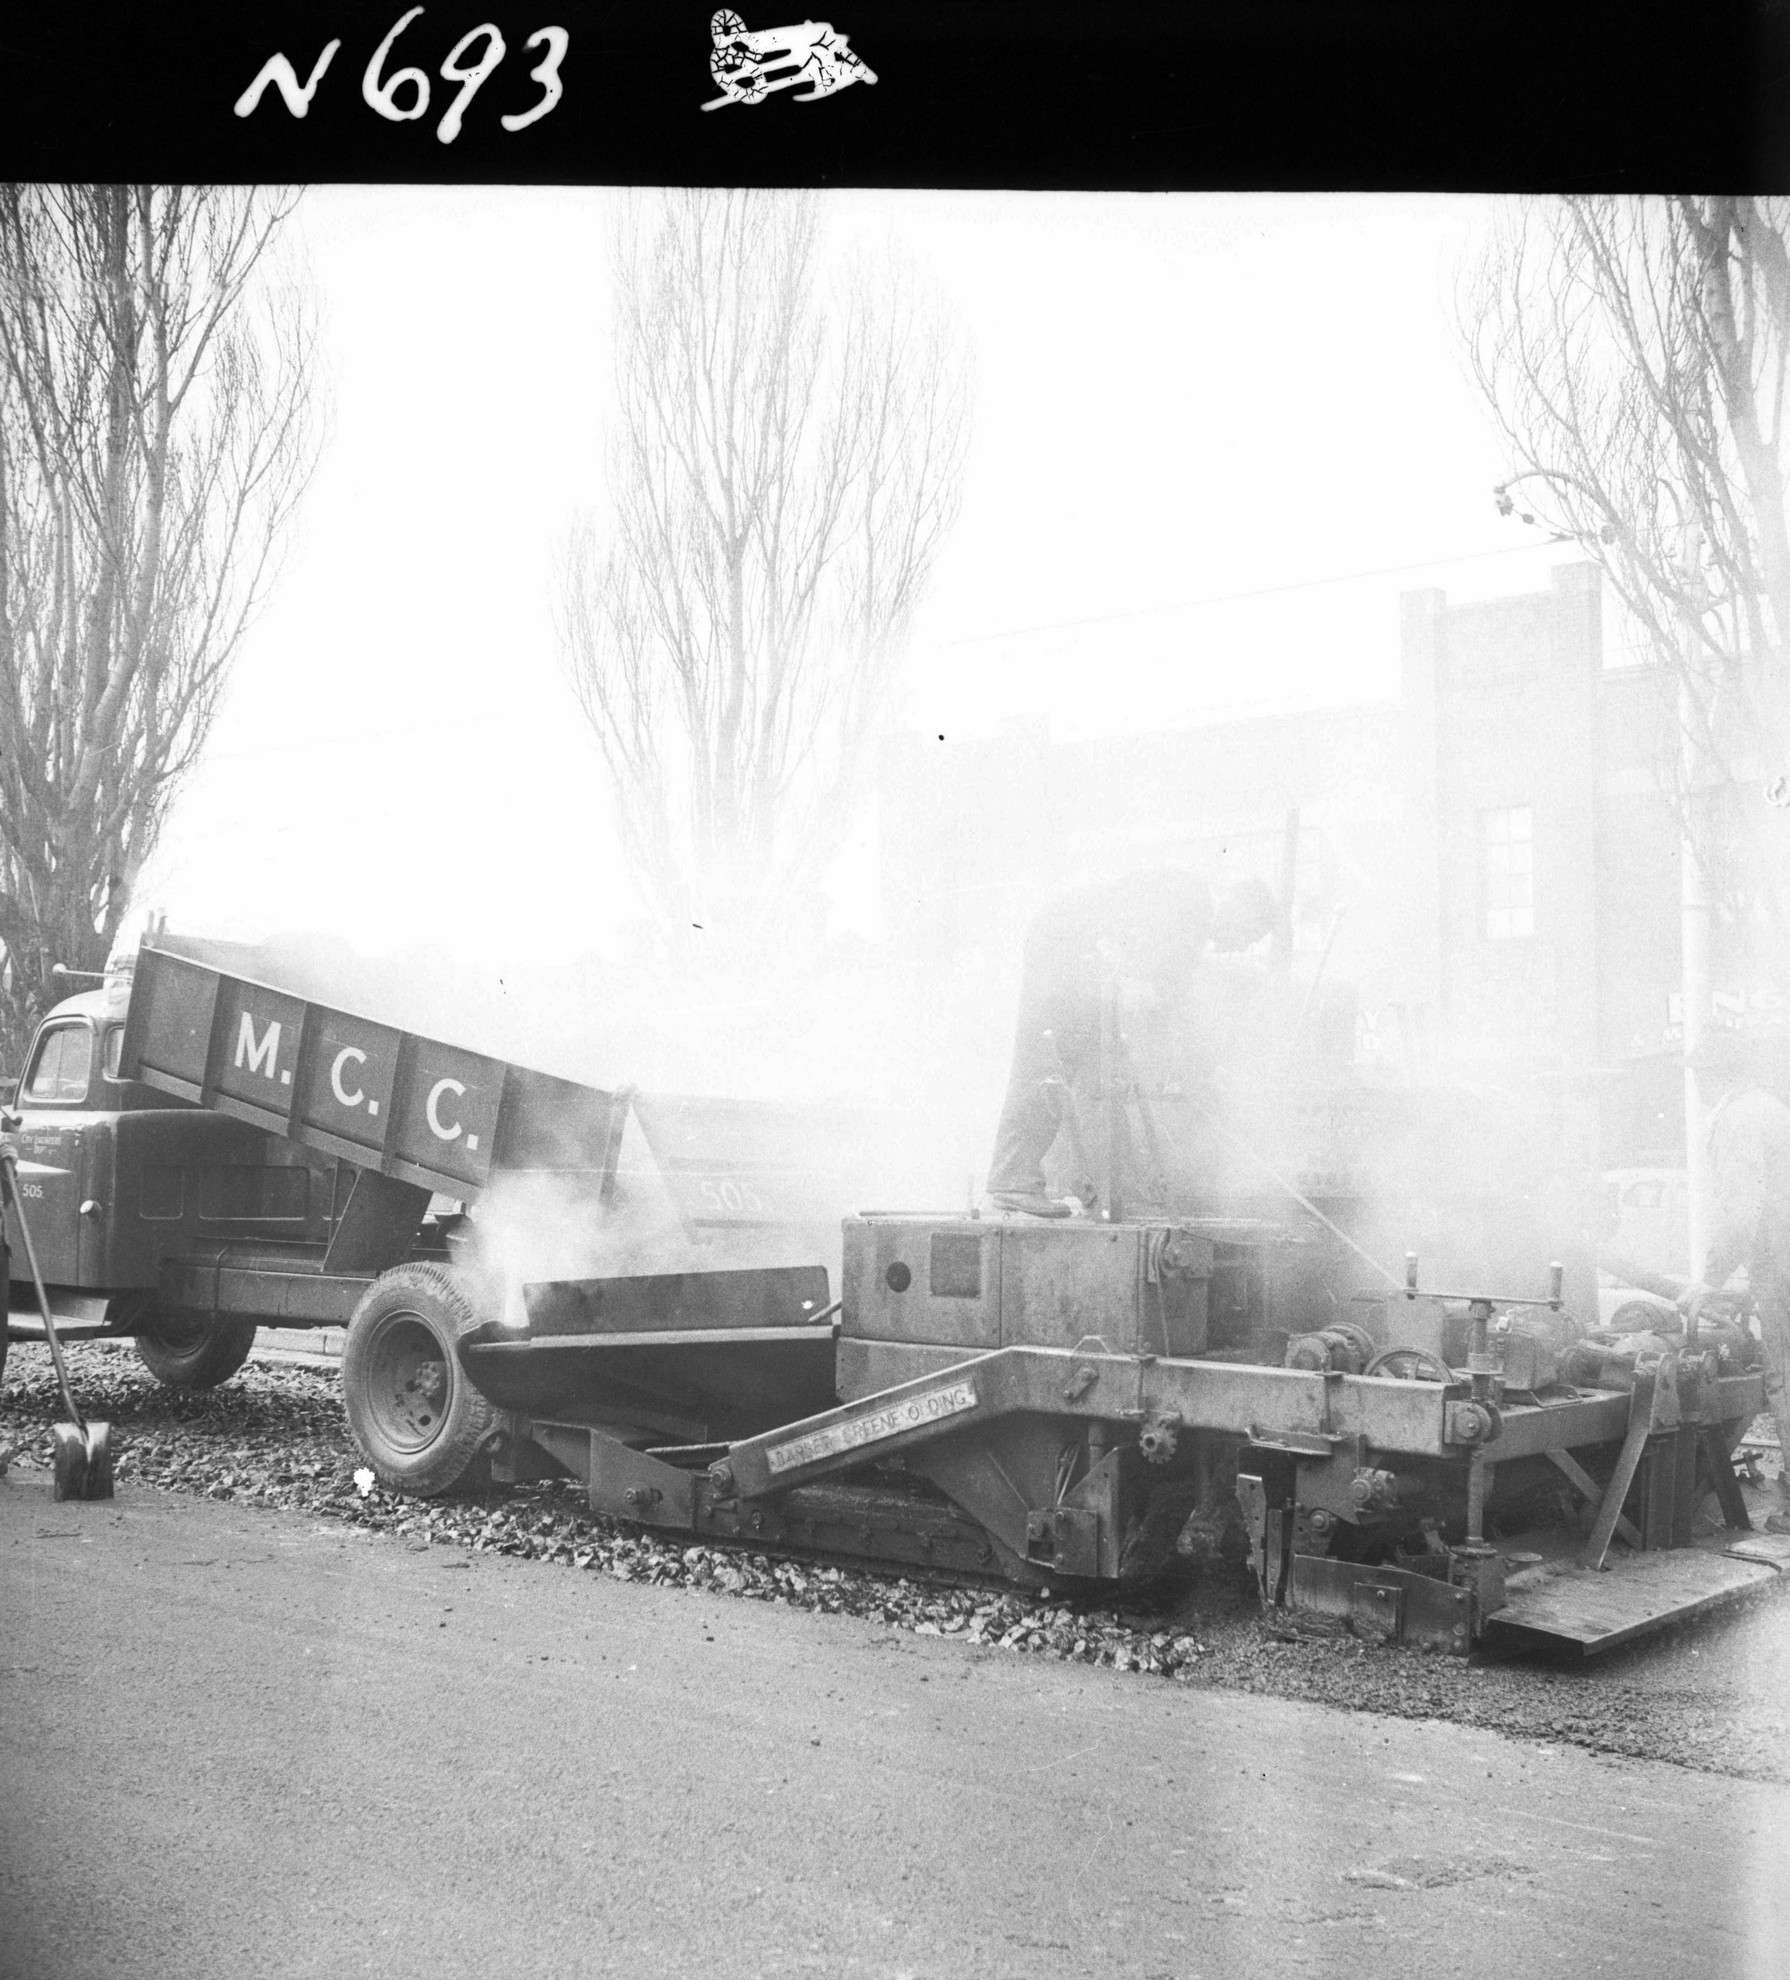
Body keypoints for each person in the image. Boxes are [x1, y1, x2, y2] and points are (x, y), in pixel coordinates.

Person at [984, 870, 1278, 1217]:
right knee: (1051, 1058)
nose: (1243, 946)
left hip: (1074, 948)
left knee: (1084, 1061)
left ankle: (1065, 1181)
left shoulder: (1192, 921)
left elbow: (1160, 990)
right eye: (1250, 934)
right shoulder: (1190, 900)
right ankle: (1012, 1180)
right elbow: (1149, 981)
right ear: (1240, 908)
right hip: (1065, 944)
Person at [1677, 1032, 1790, 1535]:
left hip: (1783, 1268)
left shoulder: (1738, 1118)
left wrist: (1709, 1281)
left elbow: (1742, 1209)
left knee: (1784, 1379)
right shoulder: (1773, 1108)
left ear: (1712, 1074)